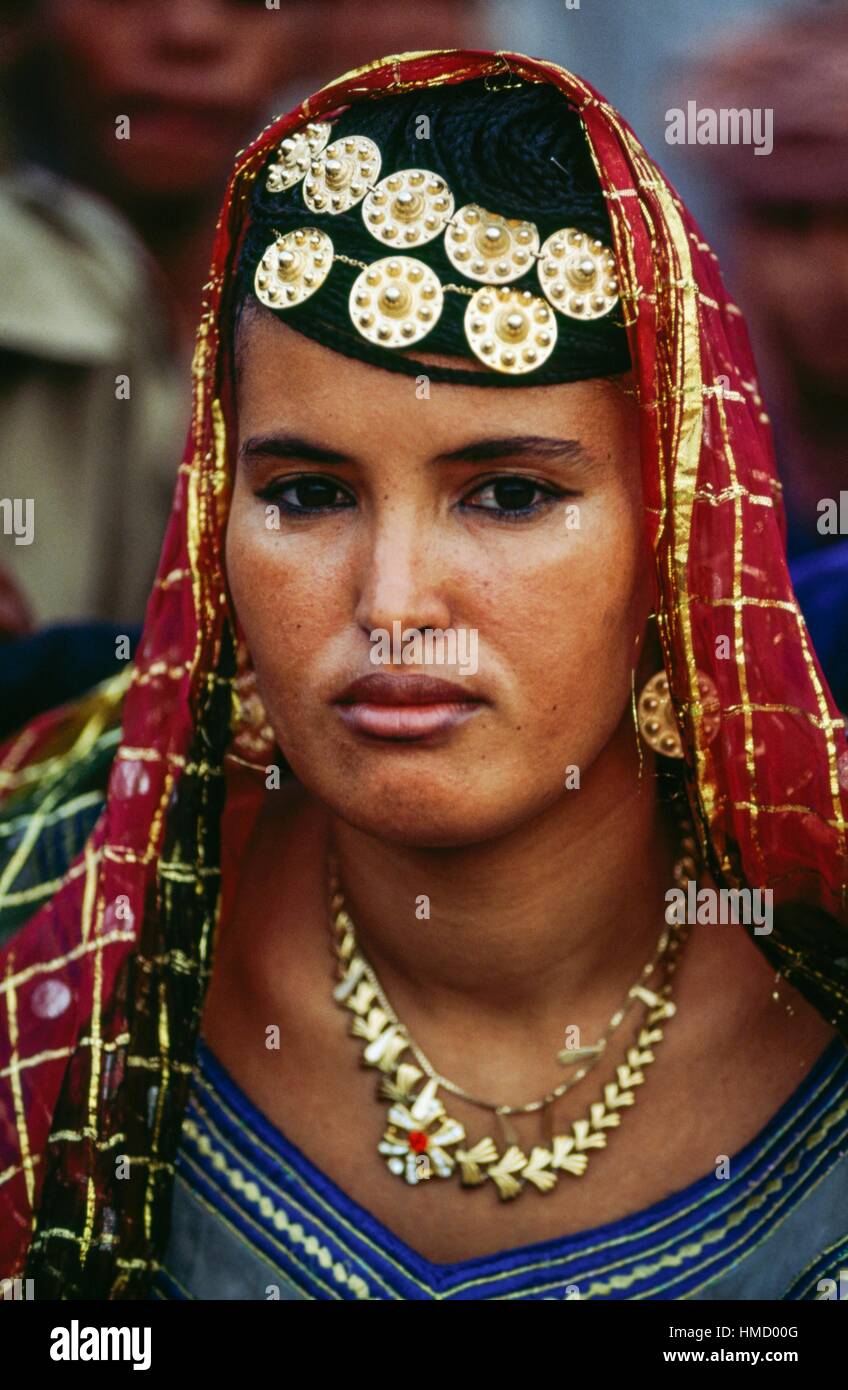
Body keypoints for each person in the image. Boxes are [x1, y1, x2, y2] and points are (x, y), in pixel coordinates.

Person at [1, 50, 847, 1303]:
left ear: (677, 536)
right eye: (307, 494)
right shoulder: (57, 913)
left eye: (509, 494)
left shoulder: (815, 982)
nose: (391, 604)